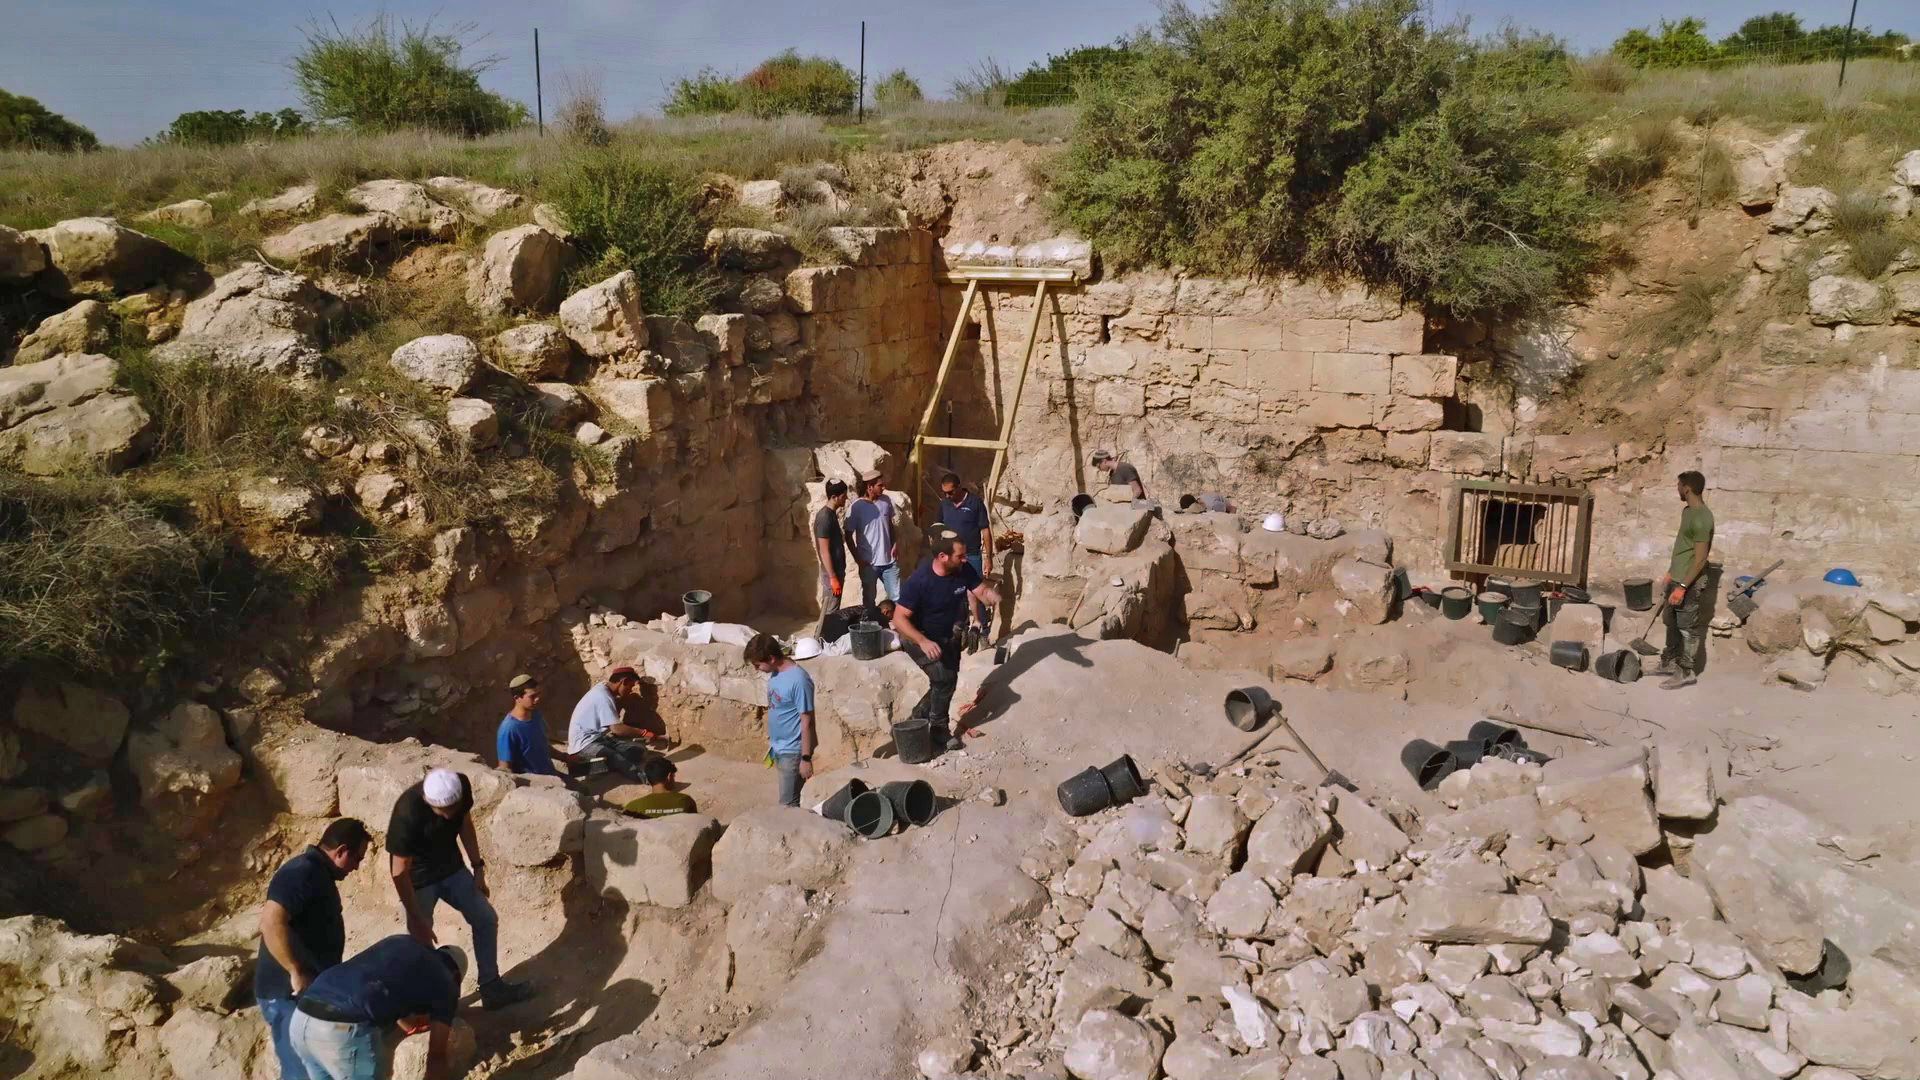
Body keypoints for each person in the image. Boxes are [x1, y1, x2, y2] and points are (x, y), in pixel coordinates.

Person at [387, 768, 533, 1011]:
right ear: (427, 800)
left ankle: (491, 987)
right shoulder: (407, 812)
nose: (449, 816)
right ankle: (428, 1005)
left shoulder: (460, 788)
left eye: (453, 808)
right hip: (418, 879)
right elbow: (399, 871)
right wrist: (415, 916)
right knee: (421, 939)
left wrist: (477, 868)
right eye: (443, 811)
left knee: (485, 918)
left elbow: (465, 823)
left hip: (451, 869)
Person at [257, 818, 372, 1080]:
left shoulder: (316, 873)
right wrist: (294, 969)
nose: (357, 866)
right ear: (341, 850)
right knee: (299, 1071)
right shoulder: (302, 872)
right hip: (286, 994)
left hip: (306, 993)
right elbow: (270, 921)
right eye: (357, 858)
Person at [288, 935, 465, 1080]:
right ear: (456, 975)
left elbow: (387, 995)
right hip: (341, 1028)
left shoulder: (402, 943)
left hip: (301, 1017)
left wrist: (413, 1025)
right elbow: (436, 1056)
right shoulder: (447, 984)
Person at [894, 535, 1002, 752]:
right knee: (944, 679)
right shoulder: (919, 581)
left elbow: (980, 590)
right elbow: (899, 619)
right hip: (918, 637)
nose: (965, 560)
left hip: (949, 635)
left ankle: (917, 718)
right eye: (959, 556)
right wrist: (923, 641)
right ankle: (939, 731)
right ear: (943, 557)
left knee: (945, 683)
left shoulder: (963, 569)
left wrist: (992, 596)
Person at [1655, 470, 1715, 691]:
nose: (1677, 489)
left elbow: (1700, 560)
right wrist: (1671, 572)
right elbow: (1683, 547)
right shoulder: (1687, 512)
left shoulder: (1702, 518)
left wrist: (1682, 587)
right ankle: (1669, 662)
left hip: (1689, 583)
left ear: (1687, 488)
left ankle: (1686, 672)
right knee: (1671, 622)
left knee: (1687, 628)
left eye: (1678, 485)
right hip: (1677, 577)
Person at [744, 633, 815, 807]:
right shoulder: (776, 674)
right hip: (780, 748)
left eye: (757, 665)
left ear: (771, 658)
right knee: (788, 801)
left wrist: (805, 759)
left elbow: (807, 721)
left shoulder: (799, 680)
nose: (756, 669)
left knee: (787, 805)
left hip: (793, 751)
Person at [566, 666, 651, 779]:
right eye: (630, 686)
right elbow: (617, 729)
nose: (630, 690)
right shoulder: (603, 697)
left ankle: (603, 765)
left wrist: (622, 700)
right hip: (583, 745)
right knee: (617, 758)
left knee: (640, 751)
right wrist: (644, 733)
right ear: (623, 681)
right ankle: (645, 778)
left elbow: (611, 713)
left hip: (597, 739)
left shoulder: (603, 688)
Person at [845, 469, 901, 604]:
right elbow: (848, 535)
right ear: (870, 487)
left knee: (898, 599)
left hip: (889, 562)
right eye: (880, 485)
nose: (884, 487)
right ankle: (869, 625)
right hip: (869, 564)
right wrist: (858, 559)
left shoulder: (886, 501)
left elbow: (890, 525)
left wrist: (895, 543)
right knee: (869, 601)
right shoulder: (856, 507)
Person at [495, 674, 558, 777]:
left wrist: (565, 757)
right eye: (532, 696)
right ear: (517, 698)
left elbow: (542, 746)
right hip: (535, 784)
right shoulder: (508, 729)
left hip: (551, 775)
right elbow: (505, 768)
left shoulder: (536, 715)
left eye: (538, 694)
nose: (537, 699)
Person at [937, 472, 993, 577]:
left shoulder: (975, 503)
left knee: (975, 590)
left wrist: (988, 558)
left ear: (959, 487)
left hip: (971, 556)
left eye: (950, 492)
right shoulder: (944, 504)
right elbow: (937, 528)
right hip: (950, 557)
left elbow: (985, 530)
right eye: (945, 493)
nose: (947, 496)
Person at [813, 479, 850, 618]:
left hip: (836, 572)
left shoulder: (831, 514)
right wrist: (833, 578)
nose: (845, 498)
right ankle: (822, 638)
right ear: (834, 497)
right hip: (831, 574)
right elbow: (824, 551)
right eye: (843, 496)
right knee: (830, 613)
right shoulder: (824, 518)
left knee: (831, 611)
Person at [621, 756, 698, 818]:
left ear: (648, 779)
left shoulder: (633, 807)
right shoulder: (686, 801)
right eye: (673, 776)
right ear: (669, 776)